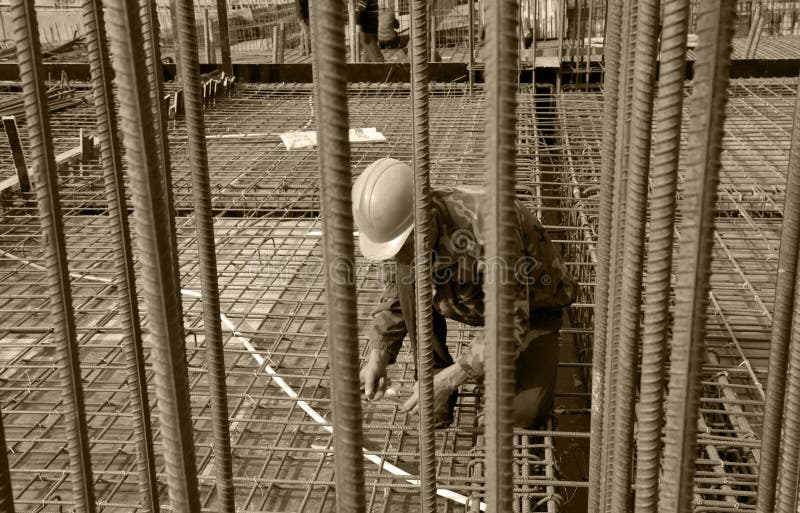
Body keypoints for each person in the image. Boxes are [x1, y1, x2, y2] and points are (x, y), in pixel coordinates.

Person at [354, 158, 578, 429]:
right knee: (406, 276)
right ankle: (431, 371)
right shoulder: (410, 234)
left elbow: (508, 325)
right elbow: (395, 297)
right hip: (471, 298)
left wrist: (450, 380)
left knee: (522, 414)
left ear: (426, 217)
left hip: (531, 309)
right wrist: (378, 355)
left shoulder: (494, 229)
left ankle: (444, 382)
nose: (401, 254)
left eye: (405, 244)